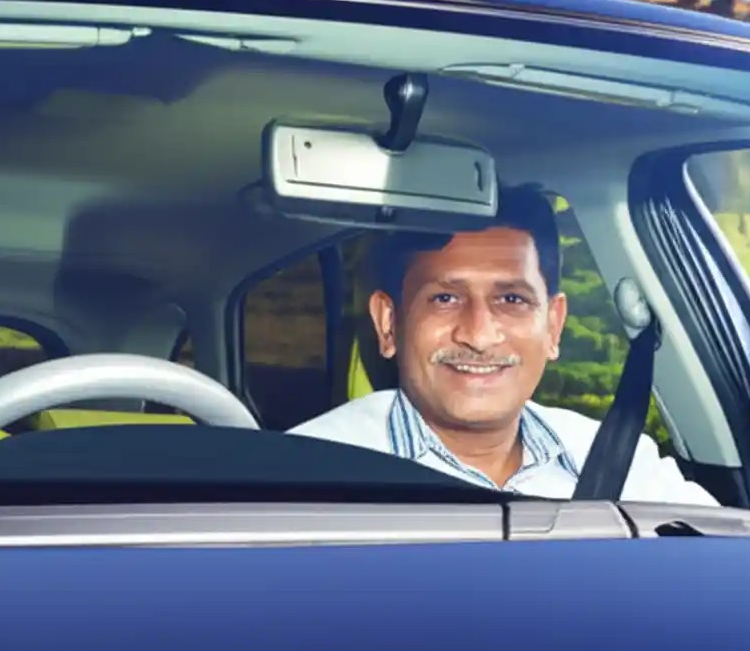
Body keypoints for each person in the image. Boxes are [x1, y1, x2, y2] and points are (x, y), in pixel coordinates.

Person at [288, 186, 718, 506]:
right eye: (445, 298)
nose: (478, 335)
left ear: (553, 326)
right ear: (389, 323)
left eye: (511, 300)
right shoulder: (305, 474)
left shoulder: (625, 467)